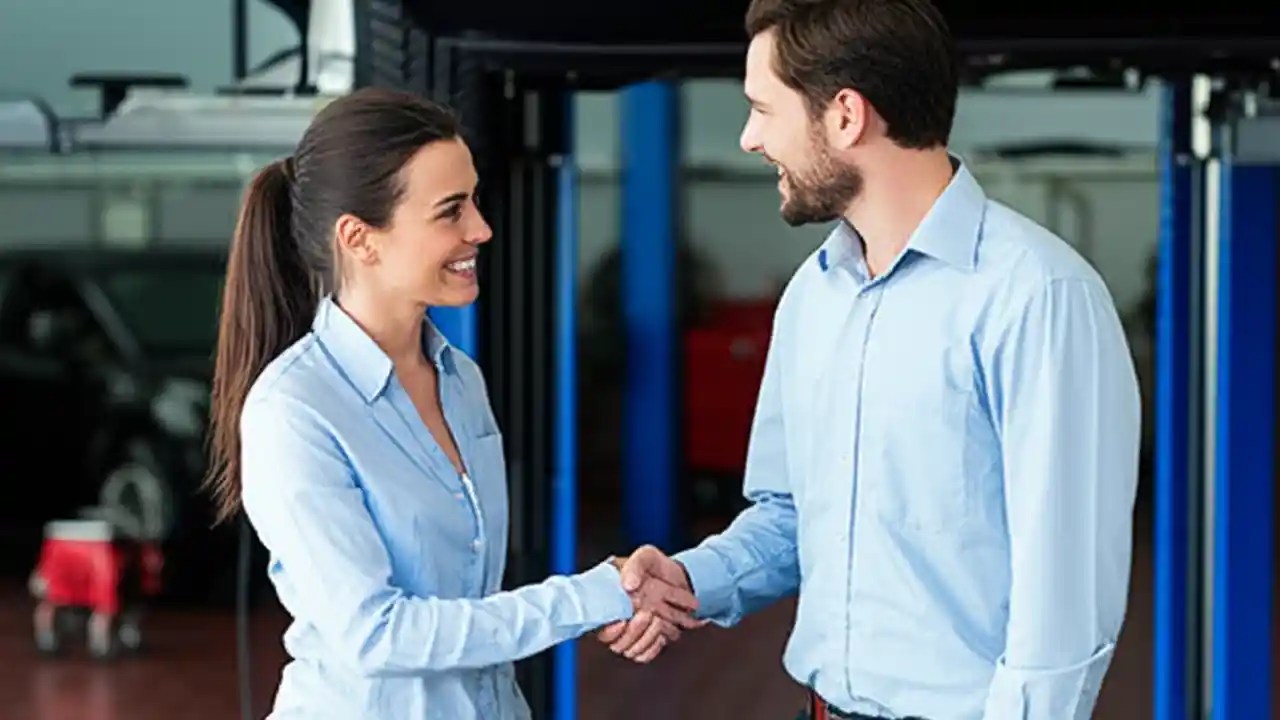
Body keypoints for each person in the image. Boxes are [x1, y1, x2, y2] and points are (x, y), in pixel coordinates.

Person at [600, 0, 1142, 718]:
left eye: (764, 109)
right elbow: (794, 515)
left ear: (846, 116)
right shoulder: (815, 296)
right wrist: (689, 578)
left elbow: (1065, 599)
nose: (750, 138)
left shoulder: (1036, 295)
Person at [202, 87, 699, 720]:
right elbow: (376, 632)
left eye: (475, 201)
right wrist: (590, 598)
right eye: (450, 210)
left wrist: (617, 589)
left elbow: (465, 593)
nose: (481, 229)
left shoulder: (459, 378)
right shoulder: (294, 410)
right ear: (359, 238)